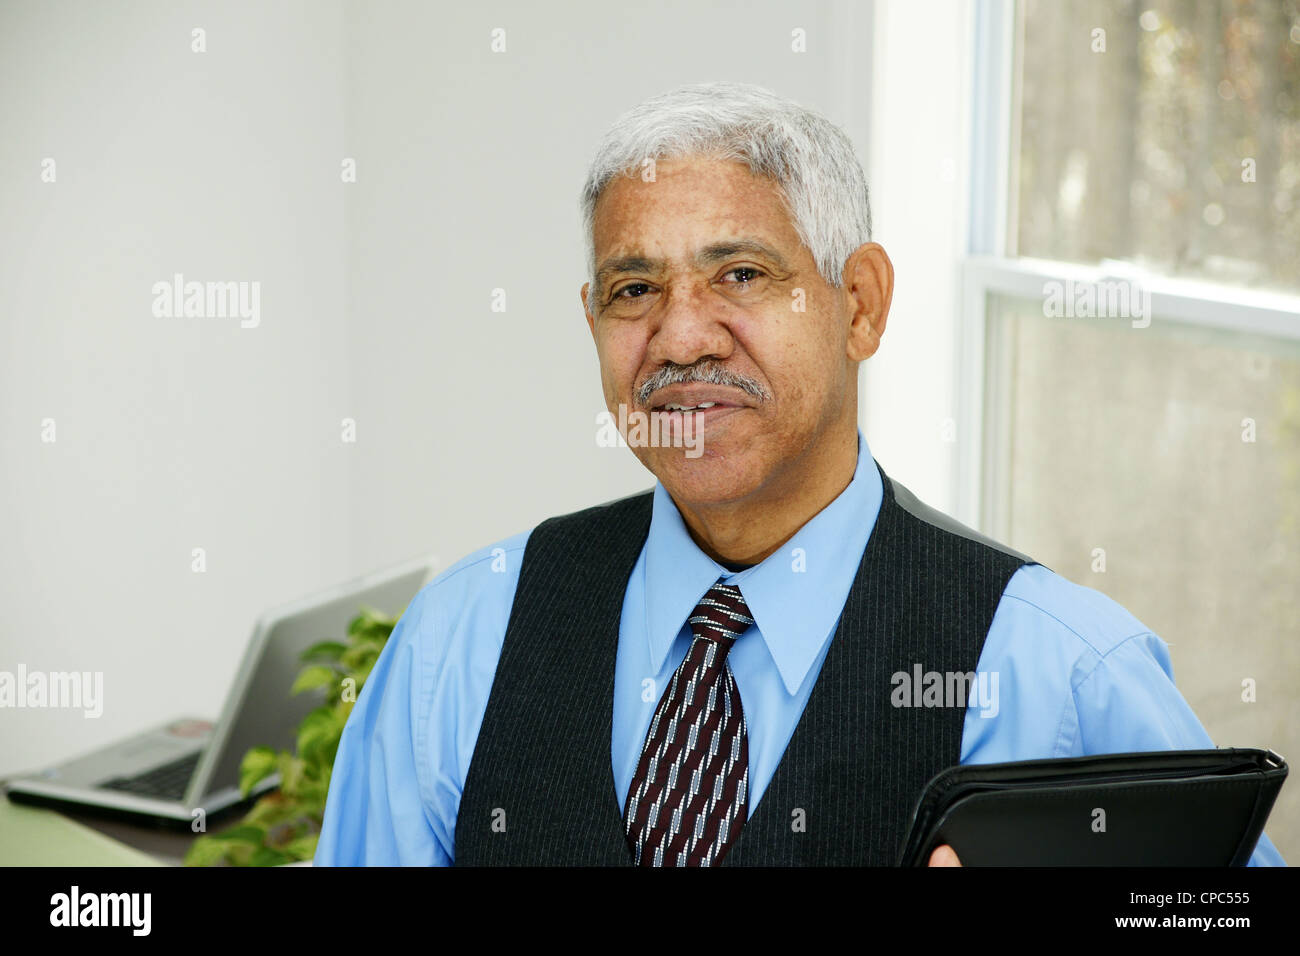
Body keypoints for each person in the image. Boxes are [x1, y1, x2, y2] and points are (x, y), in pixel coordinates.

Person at [315, 82, 1284, 867]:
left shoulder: (1057, 670)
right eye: (634, 289)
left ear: (858, 304)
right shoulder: (464, 638)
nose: (681, 334)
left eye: (739, 273)